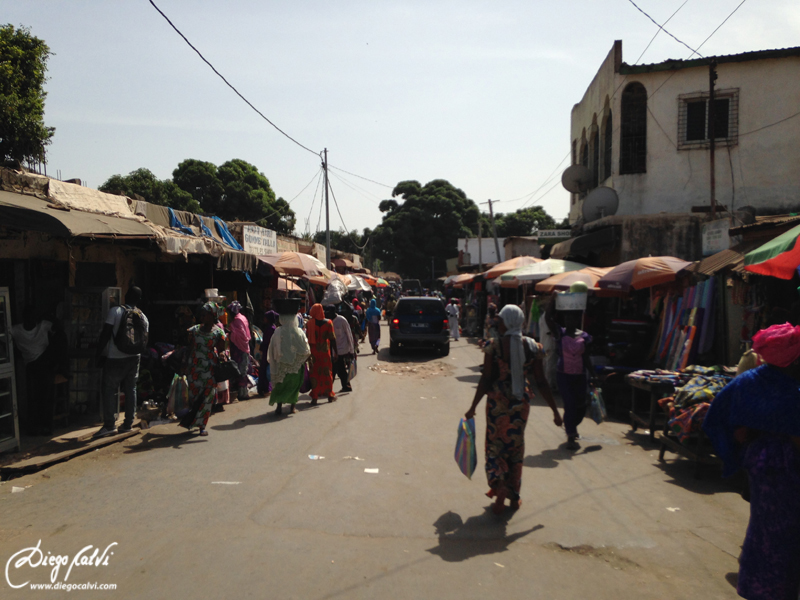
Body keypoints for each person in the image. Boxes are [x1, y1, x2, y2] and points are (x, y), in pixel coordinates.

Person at [703, 323, 800, 600]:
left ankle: (754, 586)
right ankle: (774, 591)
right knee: (783, 535)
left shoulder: (748, 381)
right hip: (785, 466)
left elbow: (718, 419)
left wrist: (738, 450)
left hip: (757, 462)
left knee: (762, 528)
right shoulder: (791, 391)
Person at [465, 305, 562, 514]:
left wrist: (473, 406)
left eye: (499, 319)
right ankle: (514, 495)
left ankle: (499, 485)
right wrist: (555, 411)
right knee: (515, 449)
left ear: (508, 321)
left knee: (494, 446)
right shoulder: (534, 347)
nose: (496, 323)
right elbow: (541, 381)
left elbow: (487, 378)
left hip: (497, 403)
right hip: (520, 405)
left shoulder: (494, 345)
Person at [93, 287, 149, 438]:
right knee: (131, 389)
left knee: (110, 389)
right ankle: (128, 424)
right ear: (139, 300)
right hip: (134, 357)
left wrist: (98, 354)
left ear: (125, 296)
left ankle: (109, 425)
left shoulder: (116, 311)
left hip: (115, 357)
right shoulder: (143, 316)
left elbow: (105, 333)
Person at [545, 304, 593, 450]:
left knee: (581, 405)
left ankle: (571, 425)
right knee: (570, 404)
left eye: (572, 317)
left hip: (580, 375)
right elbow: (548, 318)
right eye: (567, 317)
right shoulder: (560, 333)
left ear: (578, 319)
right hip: (563, 375)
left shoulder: (585, 337)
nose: (569, 319)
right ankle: (571, 435)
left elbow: (586, 357)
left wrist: (594, 375)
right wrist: (553, 300)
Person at [179, 303, 226, 436]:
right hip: (194, 369)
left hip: (210, 371)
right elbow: (188, 349)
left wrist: (222, 355)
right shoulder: (194, 330)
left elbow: (222, 350)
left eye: (205, 314)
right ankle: (193, 421)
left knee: (207, 399)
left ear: (212, 316)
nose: (202, 317)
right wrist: (183, 366)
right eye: (202, 314)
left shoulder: (218, 333)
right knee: (194, 398)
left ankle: (202, 426)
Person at [11, 307, 55, 436]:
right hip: (31, 365)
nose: (32, 321)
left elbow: (59, 329)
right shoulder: (16, 330)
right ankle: (36, 425)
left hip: (44, 361)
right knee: (34, 397)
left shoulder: (43, 326)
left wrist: (48, 315)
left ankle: (45, 425)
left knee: (45, 396)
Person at [268, 302, 311, 416]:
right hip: (296, 366)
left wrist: (274, 360)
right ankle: (292, 407)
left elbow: (272, 348)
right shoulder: (299, 332)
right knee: (294, 386)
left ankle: (279, 406)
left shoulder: (277, 331)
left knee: (281, 385)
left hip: (281, 365)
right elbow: (305, 348)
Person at [306, 304, 337, 404]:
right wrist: (336, 352)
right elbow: (332, 339)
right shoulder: (329, 323)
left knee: (314, 374)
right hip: (325, 352)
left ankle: (315, 397)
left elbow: (307, 338)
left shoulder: (309, 323)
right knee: (327, 373)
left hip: (313, 353)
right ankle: (329, 395)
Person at [327, 305, 355, 393]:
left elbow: (349, 334)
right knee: (337, 369)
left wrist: (351, 351)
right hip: (332, 350)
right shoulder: (327, 321)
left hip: (342, 349)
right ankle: (345, 386)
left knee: (338, 369)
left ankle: (343, 386)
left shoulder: (341, 320)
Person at [228, 301, 251, 401]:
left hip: (239, 347)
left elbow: (241, 334)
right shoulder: (242, 317)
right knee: (243, 369)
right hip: (244, 347)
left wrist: (231, 332)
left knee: (240, 370)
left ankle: (242, 394)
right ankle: (242, 392)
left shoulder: (237, 320)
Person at [257, 310, 279, 396]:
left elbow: (267, 342)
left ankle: (265, 388)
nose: (264, 319)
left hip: (268, 351)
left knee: (264, 369)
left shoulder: (270, 329)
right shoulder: (273, 328)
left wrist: (262, 349)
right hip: (270, 351)